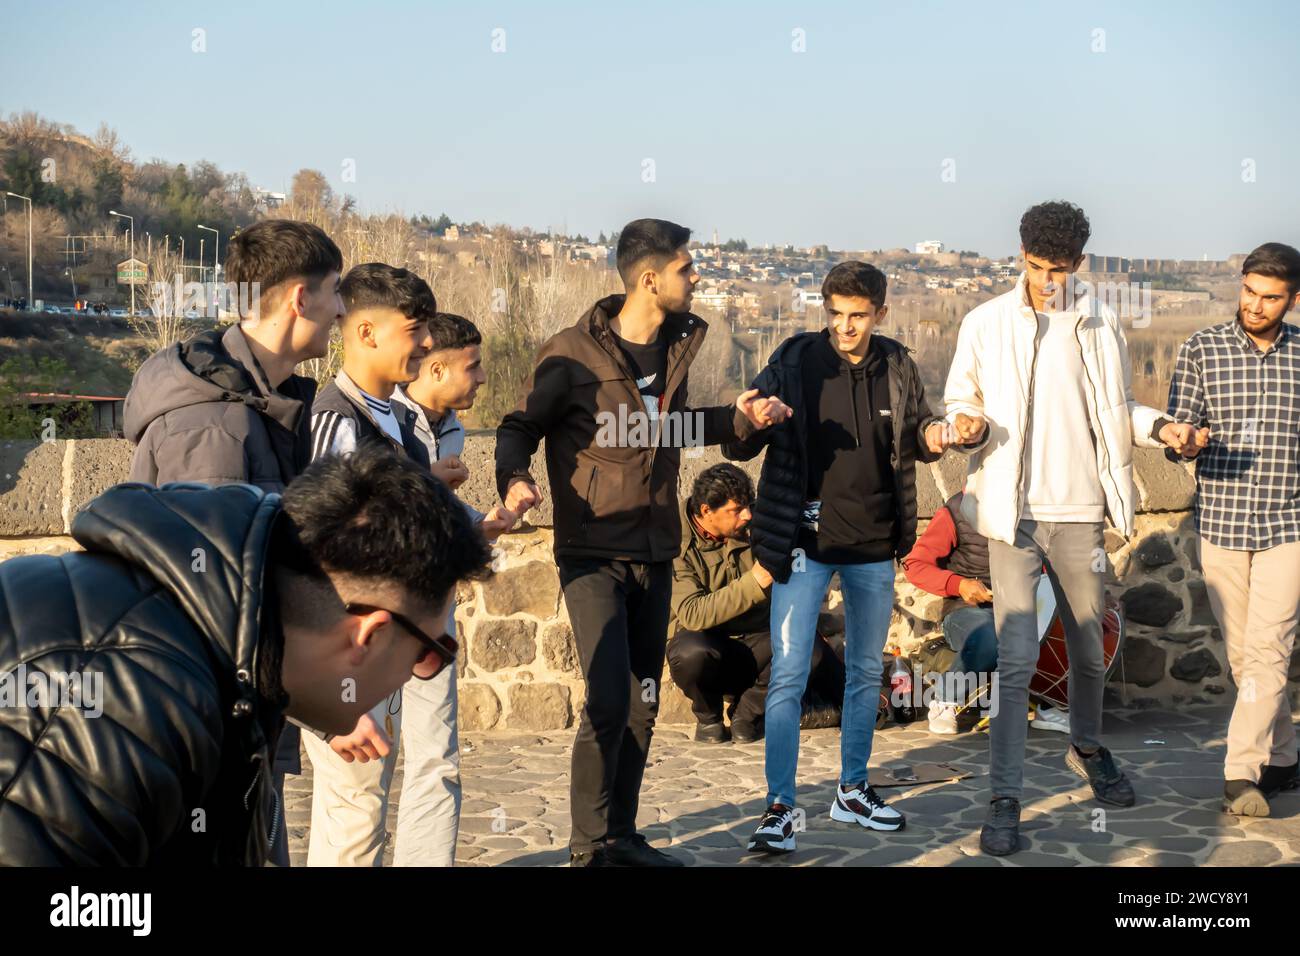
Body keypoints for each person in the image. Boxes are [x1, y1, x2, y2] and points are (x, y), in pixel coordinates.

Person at [0, 443, 493, 865]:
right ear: (369, 636)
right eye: (429, 654)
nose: (421, 674)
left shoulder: (233, 661)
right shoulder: (125, 700)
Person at [496, 218, 790, 867]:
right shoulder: (571, 353)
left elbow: (676, 426)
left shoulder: (675, 351)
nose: (696, 278)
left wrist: (742, 418)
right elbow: (519, 425)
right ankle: (587, 848)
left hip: (657, 548)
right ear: (651, 277)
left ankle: (621, 837)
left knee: (640, 703)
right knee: (607, 698)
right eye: (687, 268)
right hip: (592, 549)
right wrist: (515, 479)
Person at [943, 200, 1188, 856]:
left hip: (1081, 514)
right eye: (1034, 266)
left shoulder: (1100, 320)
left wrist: (1161, 430)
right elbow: (959, 396)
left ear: (1078, 263)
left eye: (1057, 268)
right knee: (1017, 658)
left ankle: (1087, 748)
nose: (1045, 279)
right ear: (1019, 255)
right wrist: (966, 420)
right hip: (1010, 516)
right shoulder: (985, 322)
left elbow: (1119, 408)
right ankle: (1004, 797)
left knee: (1088, 649)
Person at [123, 217, 344, 864]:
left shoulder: (257, 403)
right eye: (334, 291)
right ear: (300, 298)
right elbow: (213, 591)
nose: (340, 309)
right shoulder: (215, 425)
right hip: (211, 714)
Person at [726, 260, 950, 856]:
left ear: (880, 313)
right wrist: (751, 421)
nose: (845, 328)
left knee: (866, 673)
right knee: (790, 676)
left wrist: (937, 436)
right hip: (803, 547)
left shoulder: (898, 364)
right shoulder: (797, 360)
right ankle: (779, 807)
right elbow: (741, 435)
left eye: (858, 316)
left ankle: (852, 790)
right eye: (836, 315)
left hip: (874, 547)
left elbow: (919, 434)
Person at [301, 262, 438, 866]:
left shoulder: (399, 420)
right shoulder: (338, 420)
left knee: (362, 816)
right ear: (365, 334)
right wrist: (338, 694)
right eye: (414, 330)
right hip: (347, 655)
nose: (427, 343)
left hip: (376, 649)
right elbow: (319, 554)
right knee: (353, 820)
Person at [1164, 241, 1300, 816]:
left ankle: (1239, 772)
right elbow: (1178, 430)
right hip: (1220, 523)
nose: (1256, 305)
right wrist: (1183, 439)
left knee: (1269, 649)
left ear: (1293, 299)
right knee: (1246, 657)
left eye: (1270, 297)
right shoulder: (1202, 348)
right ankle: (1287, 756)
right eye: (1249, 291)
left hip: (1288, 523)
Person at [388, 310, 515, 865]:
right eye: (474, 366)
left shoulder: (452, 428)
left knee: (437, 757)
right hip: (371, 613)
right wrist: (424, 484)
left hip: (433, 611)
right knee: (365, 772)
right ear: (436, 369)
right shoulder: (382, 421)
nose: (483, 377)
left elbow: (440, 511)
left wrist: (477, 524)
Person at [669, 462, 845, 744]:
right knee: (690, 653)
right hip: (708, 645)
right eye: (736, 510)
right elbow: (692, 613)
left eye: (748, 505)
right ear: (706, 511)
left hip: (760, 641)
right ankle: (709, 717)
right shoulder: (672, 539)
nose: (747, 514)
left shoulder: (756, 523)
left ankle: (748, 713)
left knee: (806, 647)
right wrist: (756, 580)